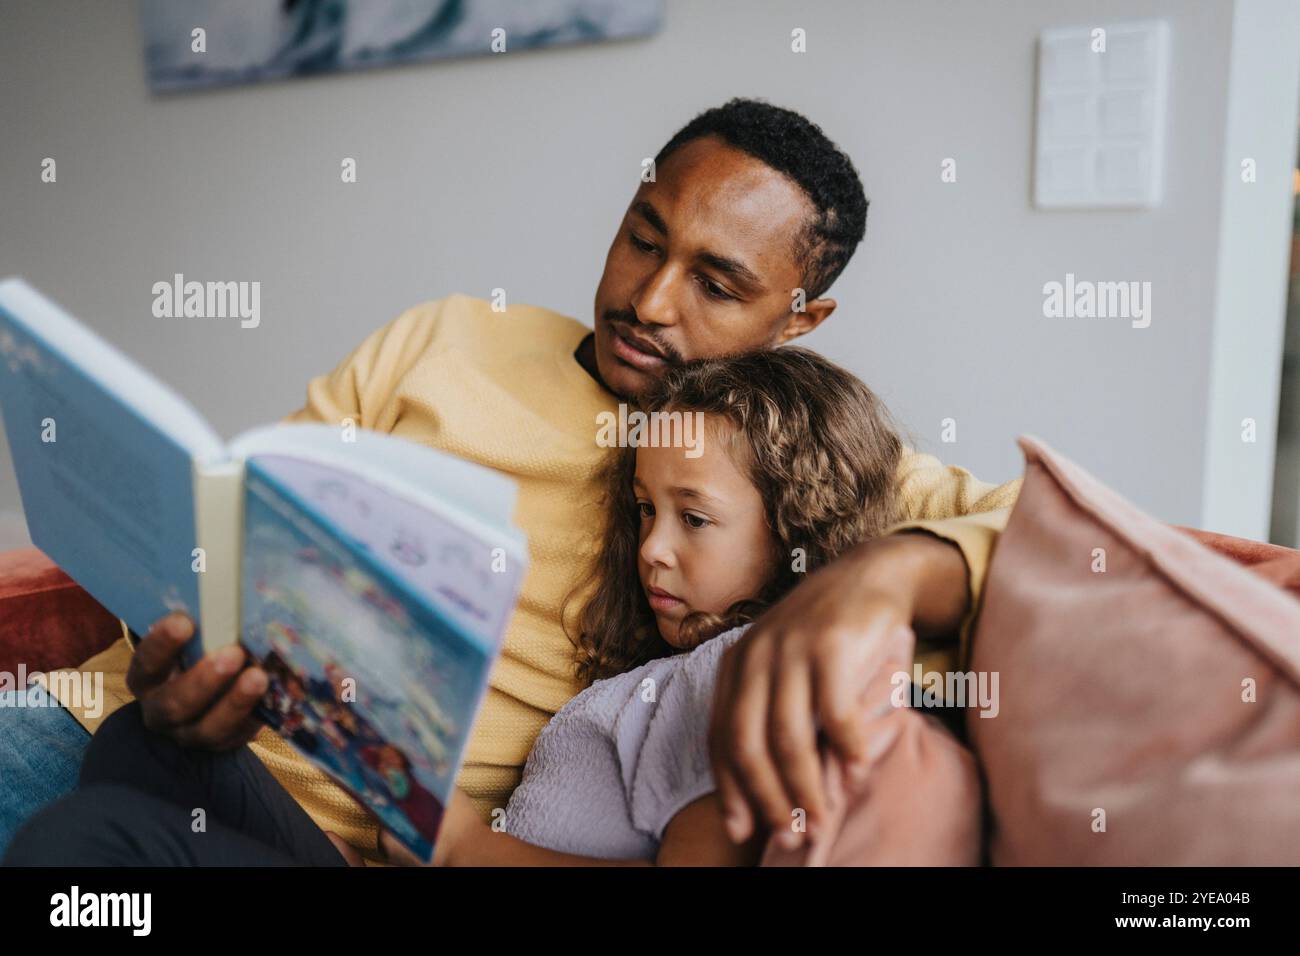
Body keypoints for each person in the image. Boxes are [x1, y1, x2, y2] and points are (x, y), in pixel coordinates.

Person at [0, 98, 1017, 861]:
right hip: (111, 722)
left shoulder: (788, 451)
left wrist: (878, 581)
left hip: (335, 835)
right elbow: (231, 528)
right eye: (643, 237)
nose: (650, 300)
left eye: (716, 283)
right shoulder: (444, 337)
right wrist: (176, 627)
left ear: (798, 320)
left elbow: (1038, 529)